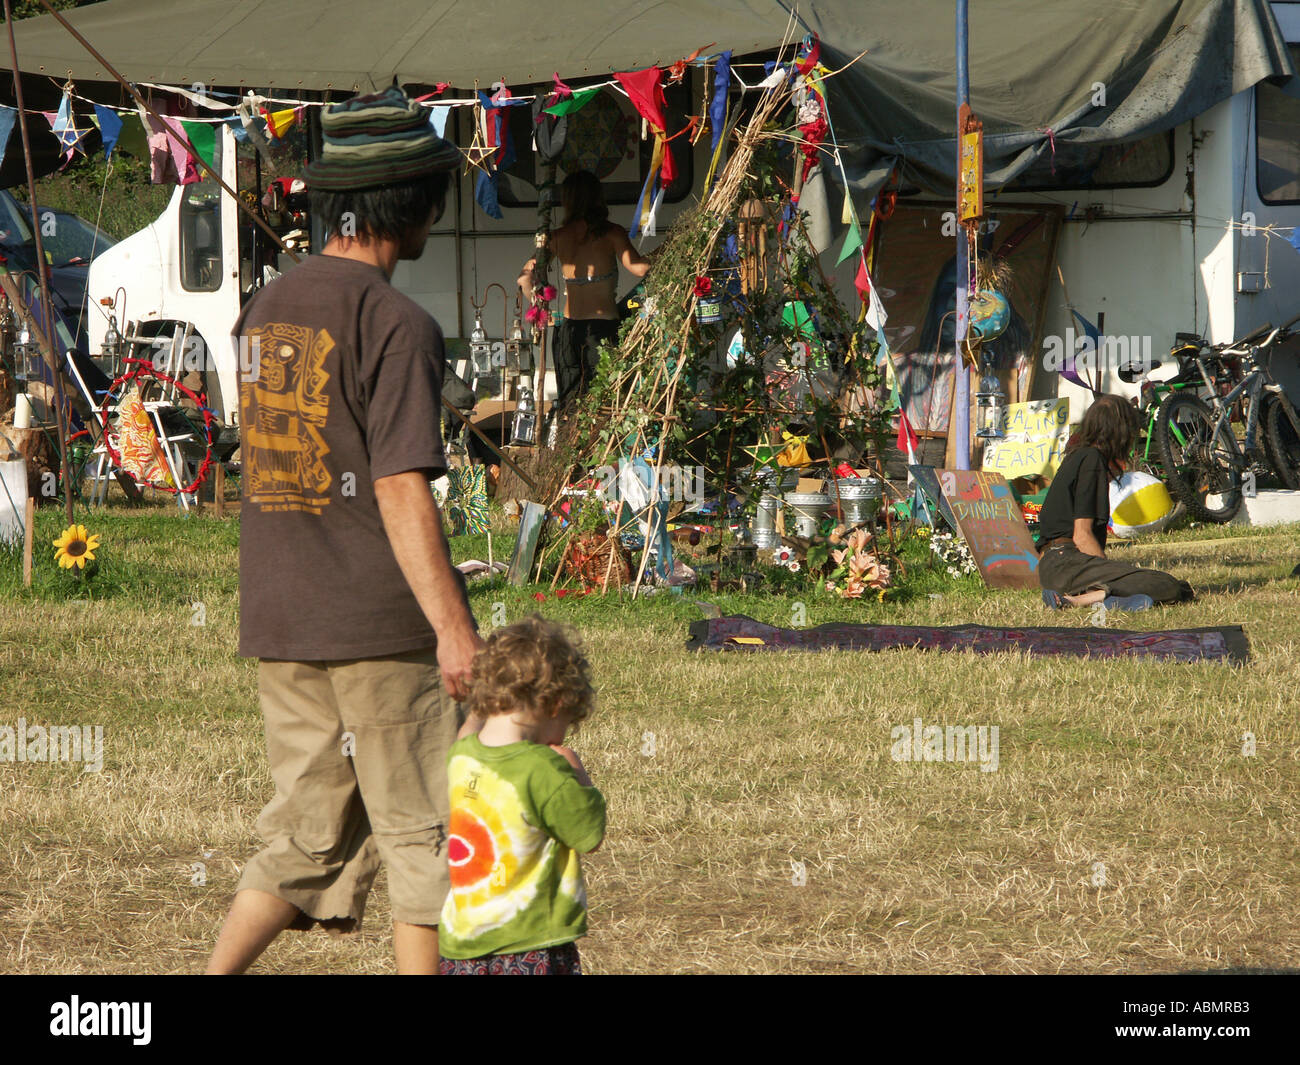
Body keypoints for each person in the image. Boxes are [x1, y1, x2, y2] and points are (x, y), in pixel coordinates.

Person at [206, 87, 486, 975]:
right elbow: (401, 488)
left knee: (305, 833)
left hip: (283, 619)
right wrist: (455, 629)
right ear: (407, 201)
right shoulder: (399, 323)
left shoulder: (265, 309)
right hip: (379, 627)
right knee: (422, 837)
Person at [438, 615, 606, 975]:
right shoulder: (543, 769)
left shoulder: (462, 756)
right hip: (530, 943)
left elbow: (470, 727)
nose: (561, 737)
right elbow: (588, 833)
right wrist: (577, 771)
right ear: (557, 704)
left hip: (461, 944)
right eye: (568, 723)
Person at [1037, 393, 1194, 611]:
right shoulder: (1092, 459)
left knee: (1147, 583)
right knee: (1171, 586)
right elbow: (1081, 535)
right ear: (1119, 431)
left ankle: (1098, 597)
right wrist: (1106, 567)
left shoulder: (1076, 456)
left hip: (1052, 569)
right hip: (1068, 564)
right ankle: (1081, 599)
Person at [517, 170, 651, 410]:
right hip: (602, 330)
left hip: (569, 332)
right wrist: (665, 256)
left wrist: (540, 309)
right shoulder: (612, 233)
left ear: (568, 201)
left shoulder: (556, 237)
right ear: (598, 198)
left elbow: (525, 278)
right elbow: (639, 269)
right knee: (605, 407)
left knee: (571, 406)